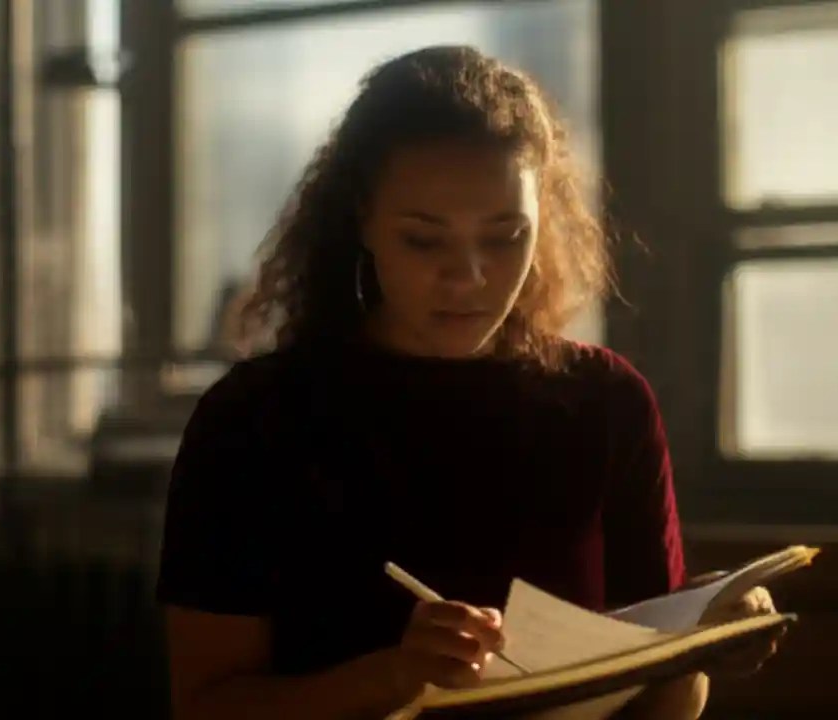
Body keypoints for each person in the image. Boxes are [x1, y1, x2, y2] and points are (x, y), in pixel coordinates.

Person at [156, 46, 783, 719]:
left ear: (541, 221)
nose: (470, 278)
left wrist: (699, 643)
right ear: (361, 219)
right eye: (424, 241)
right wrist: (395, 677)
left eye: (505, 236)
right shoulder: (254, 419)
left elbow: (663, 702)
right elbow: (205, 707)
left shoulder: (607, 405)